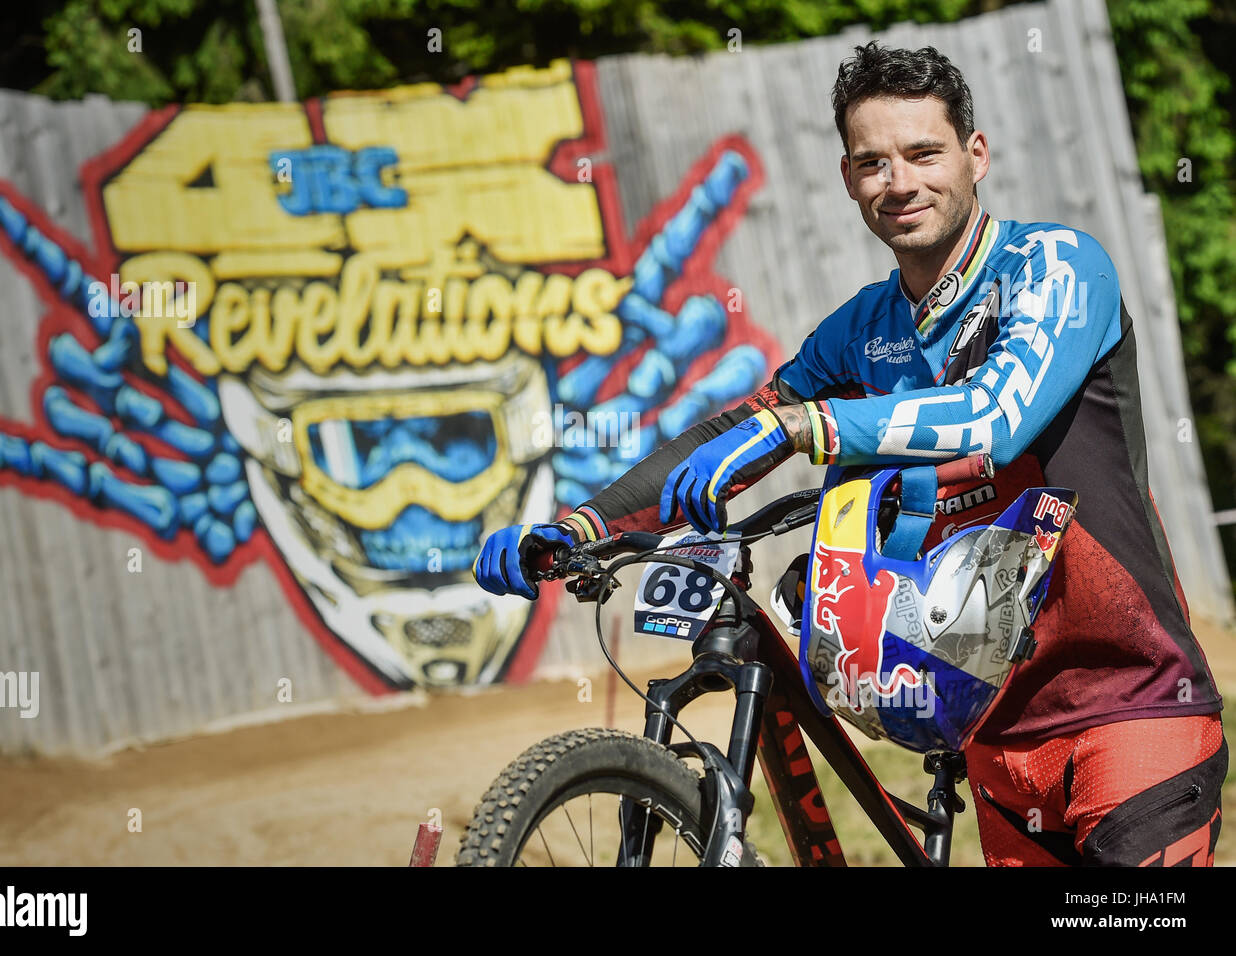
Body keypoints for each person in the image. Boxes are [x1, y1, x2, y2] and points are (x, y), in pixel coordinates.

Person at [473, 40, 1227, 867]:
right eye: (872, 162)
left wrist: (811, 427)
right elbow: (735, 429)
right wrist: (581, 526)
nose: (898, 182)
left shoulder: (1055, 266)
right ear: (847, 179)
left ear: (976, 155)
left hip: (1133, 708)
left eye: (923, 153)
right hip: (990, 736)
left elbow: (996, 417)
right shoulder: (860, 333)